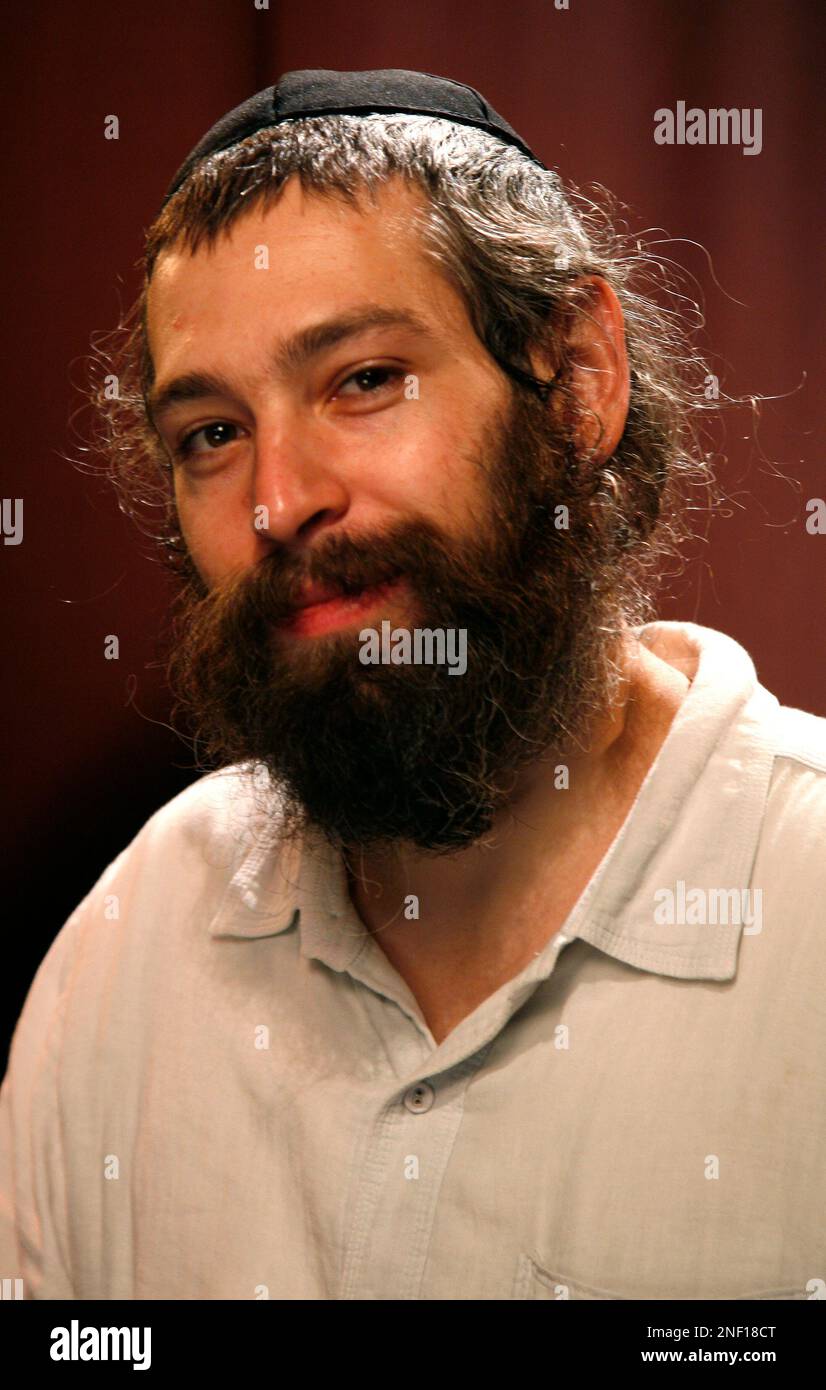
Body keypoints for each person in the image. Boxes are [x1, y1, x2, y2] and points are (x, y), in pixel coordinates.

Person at [1, 69, 824, 1302]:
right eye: (212, 434)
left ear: (580, 378)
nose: (279, 501)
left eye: (364, 378)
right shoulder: (134, 944)